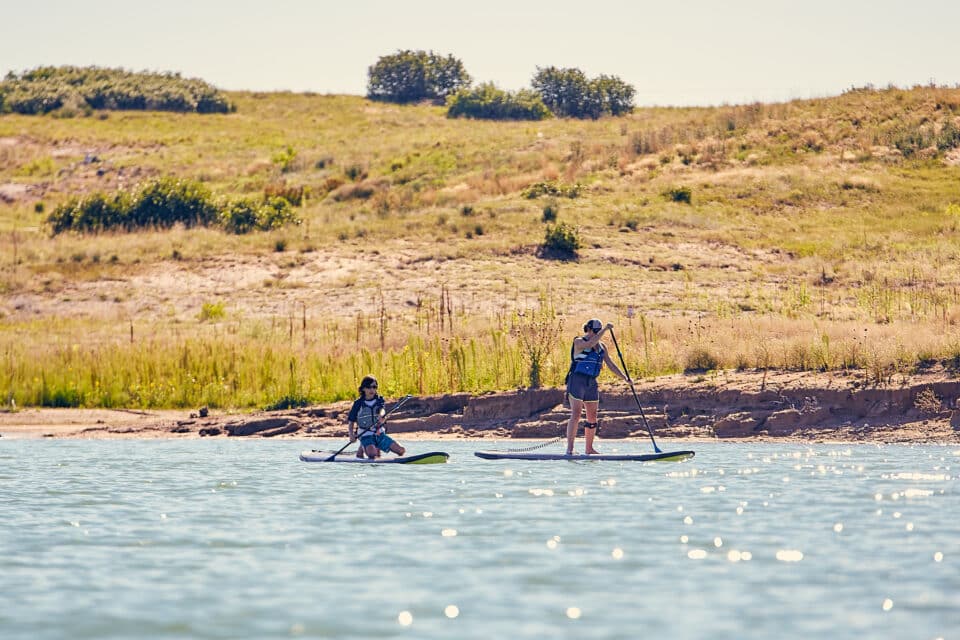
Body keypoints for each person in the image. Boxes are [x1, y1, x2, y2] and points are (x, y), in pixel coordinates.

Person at [565, 318, 629, 455]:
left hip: (591, 383)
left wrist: (625, 377)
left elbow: (610, 364)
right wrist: (605, 329)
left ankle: (589, 449)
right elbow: (589, 344)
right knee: (576, 413)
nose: (597, 334)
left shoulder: (601, 347)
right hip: (577, 380)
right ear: (588, 329)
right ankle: (570, 450)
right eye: (596, 331)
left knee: (592, 416)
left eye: (599, 331)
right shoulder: (578, 341)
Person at [347, 375, 406, 459]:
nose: (372, 390)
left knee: (401, 451)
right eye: (369, 387)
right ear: (363, 388)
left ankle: (364, 447)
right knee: (373, 455)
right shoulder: (358, 403)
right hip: (365, 434)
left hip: (379, 433)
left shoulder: (379, 399)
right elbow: (351, 420)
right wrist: (351, 435)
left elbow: (382, 409)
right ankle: (364, 446)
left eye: (374, 387)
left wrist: (381, 416)